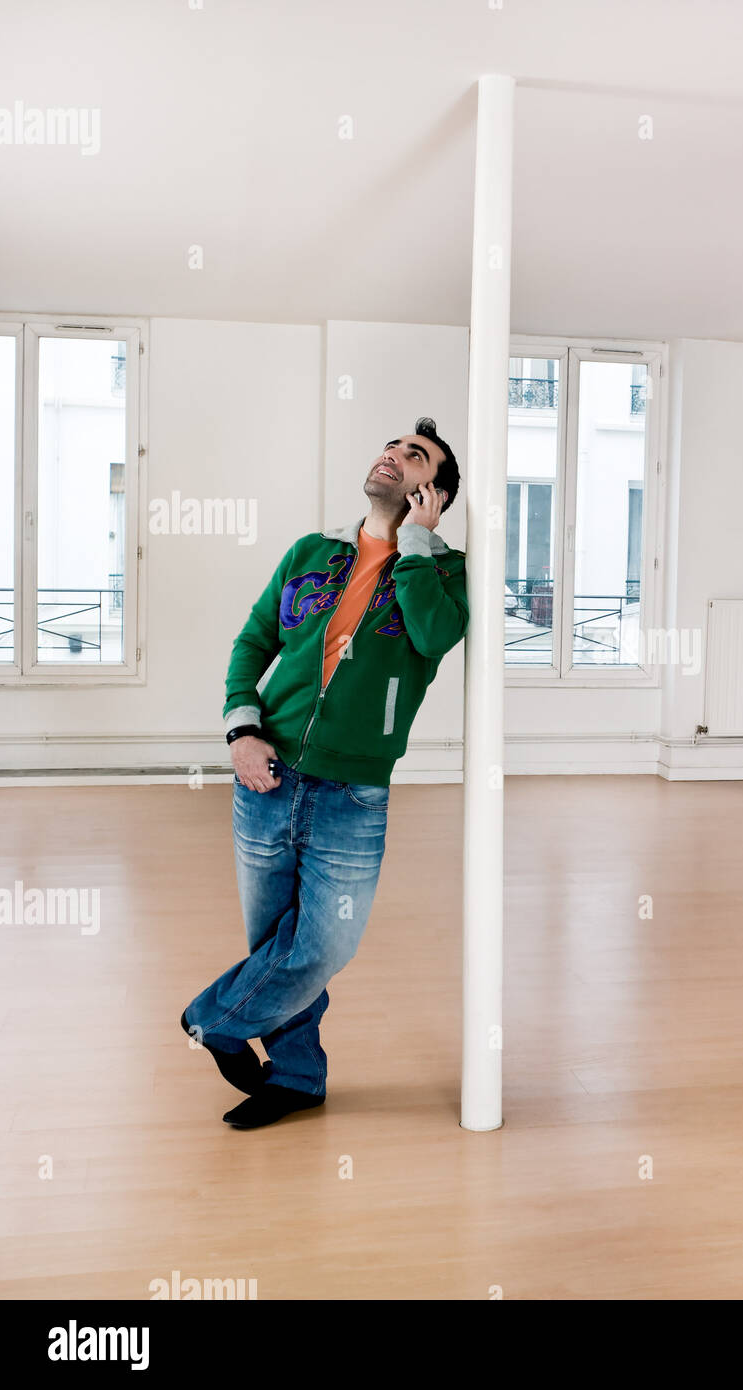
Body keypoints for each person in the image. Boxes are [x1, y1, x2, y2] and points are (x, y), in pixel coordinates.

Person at [181, 417, 468, 1129]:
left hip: (353, 788)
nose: (393, 455)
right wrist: (241, 732)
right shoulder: (311, 552)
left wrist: (418, 547)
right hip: (267, 771)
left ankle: (213, 1018)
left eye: (415, 455)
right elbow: (253, 641)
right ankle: (299, 1078)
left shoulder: (445, 572)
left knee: (324, 943)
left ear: (432, 491)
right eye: (394, 445)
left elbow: (432, 636)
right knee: (277, 939)